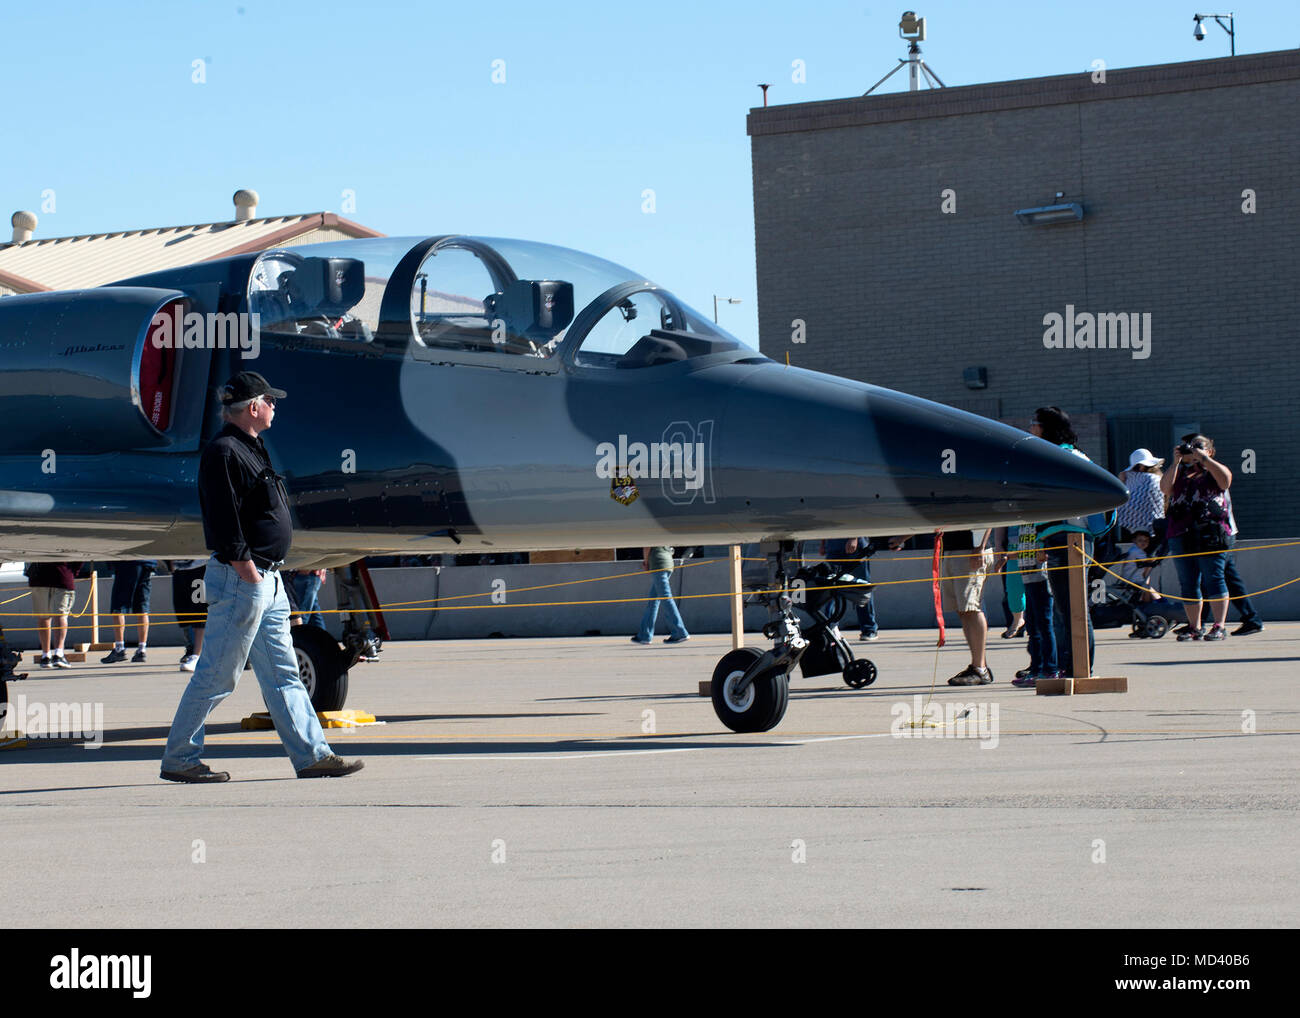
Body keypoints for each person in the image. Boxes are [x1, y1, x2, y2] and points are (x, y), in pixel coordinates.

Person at [160, 371, 362, 782]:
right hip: (245, 581)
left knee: (284, 673)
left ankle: (312, 755)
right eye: (271, 400)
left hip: (266, 581)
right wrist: (249, 573)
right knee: (218, 674)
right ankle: (180, 757)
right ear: (254, 407)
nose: (275, 407)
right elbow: (223, 521)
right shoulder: (224, 452)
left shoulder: (251, 448)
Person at [1031, 406, 1095, 677]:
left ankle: (1077, 666)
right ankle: (1072, 665)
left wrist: (1041, 538)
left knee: (1070, 608)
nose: (1031, 426)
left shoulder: (1056, 456)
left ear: (1047, 427)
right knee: (1071, 607)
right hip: (1079, 535)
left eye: (1036, 422)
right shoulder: (1079, 455)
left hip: (1064, 535)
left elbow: (1049, 500)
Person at [893, 529, 994, 685]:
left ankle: (980, 669)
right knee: (963, 610)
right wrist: (902, 537)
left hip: (971, 551)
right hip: (952, 552)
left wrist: (979, 548)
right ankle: (979, 664)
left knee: (972, 608)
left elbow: (989, 520)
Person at [1160, 433, 1233, 642]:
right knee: (1188, 582)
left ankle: (1219, 625)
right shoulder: (1181, 472)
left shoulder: (1212, 470)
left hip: (1210, 532)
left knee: (1214, 578)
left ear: (1209, 450)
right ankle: (1195, 626)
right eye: (1189, 448)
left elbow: (1226, 481)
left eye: (1198, 447)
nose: (1192, 451)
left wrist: (1205, 460)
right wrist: (1175, 462)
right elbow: (1165, 488)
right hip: (1181, 532)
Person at [1010, 523, 1056, 688]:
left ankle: (1050, 669)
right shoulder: (1024, 522)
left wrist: (1044, 549)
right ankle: (1036, 669)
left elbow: (1045, 540)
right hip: (1027, 574)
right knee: (1033, 627)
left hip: (1040, 576)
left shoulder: (1040, 517)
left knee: (1045, 625)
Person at [1222, 490, 1264, 636]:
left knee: (1219, 577)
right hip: (1220, 533)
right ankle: (1251, 618)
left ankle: (1197, 623)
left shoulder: (1211, 475)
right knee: (1227, 578)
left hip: (1220, 534)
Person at [821, 537, 879, 641]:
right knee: (831, 588)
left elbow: (856, 520)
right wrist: (823, 543)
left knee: (861, 589)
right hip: (834, 547)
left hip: (857, 548)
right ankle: (830, 627)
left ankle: (869, 629)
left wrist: (854, 537)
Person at [26, 562, 81, 669]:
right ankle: (58, 653)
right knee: (61, 615)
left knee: (43, 617)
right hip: (62, 574)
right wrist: (72, 571)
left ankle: (46, 655)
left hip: (39, 576)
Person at [631, 546, 689, 645]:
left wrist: (646, 562)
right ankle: (645, 635)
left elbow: (647, 547)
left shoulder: (650, 531)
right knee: (653, 601)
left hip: (658, 563)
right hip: (668, 563)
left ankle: (680, 632)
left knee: (666, 598)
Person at [101, 560, 156, 663]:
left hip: (127, 562)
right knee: (142, 607)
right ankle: (142, 650)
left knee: (118, 606)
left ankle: (119, 648)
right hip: (147, 563)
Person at [168, 560, 208, 672]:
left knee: (200, 613)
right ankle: (191, 648)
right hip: (179, 568)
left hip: (200, 567)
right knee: (182, 612)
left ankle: (197, 655)